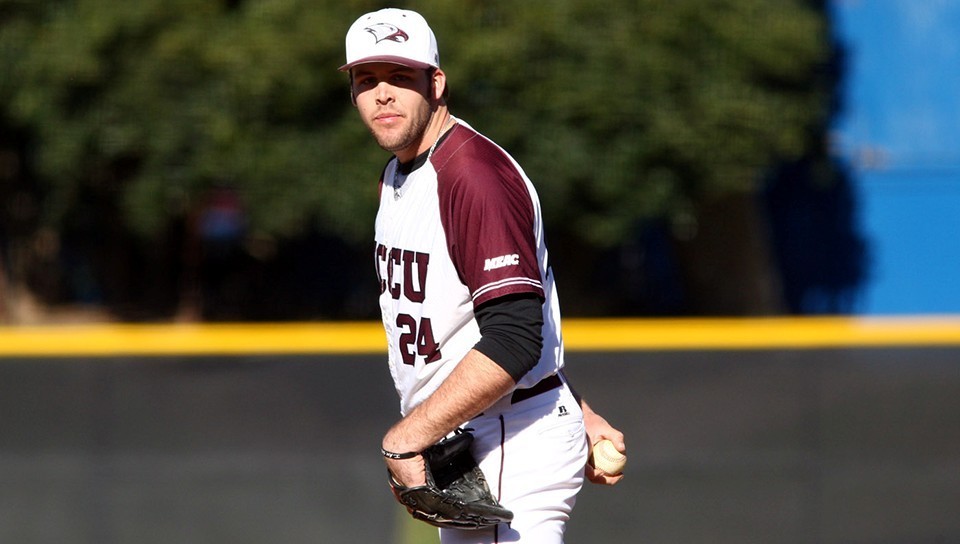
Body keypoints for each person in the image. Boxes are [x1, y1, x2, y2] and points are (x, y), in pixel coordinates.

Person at [340, 8, 626, 543]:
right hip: (489, 429)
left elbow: (515, 337)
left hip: (509, 437)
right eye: (365, 80)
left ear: (436, 82)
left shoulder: (474, 178)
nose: (382, 94)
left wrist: (407, 436)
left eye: (401, 77)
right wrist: (573, 404)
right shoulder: (399, 174)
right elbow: (484, 324)